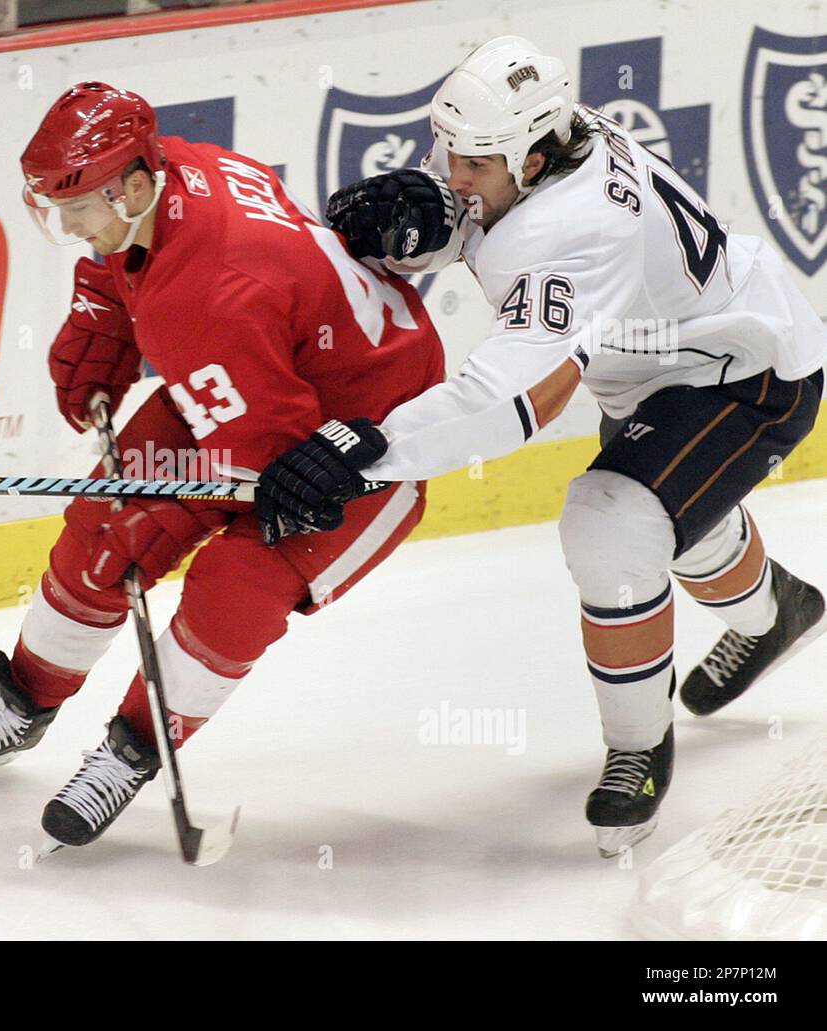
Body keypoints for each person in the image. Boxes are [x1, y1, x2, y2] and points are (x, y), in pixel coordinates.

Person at [256, 36, 827, 857]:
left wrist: (365, 450)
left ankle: (638, 746)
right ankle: (780, 611)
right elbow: (495, 219)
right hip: (667, 359)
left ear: (530, 154)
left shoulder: (581, 226)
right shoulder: (542, 139)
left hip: (745, 372)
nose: (454, 173)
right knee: (675, 523)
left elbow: (510, 400)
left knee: (611, 522)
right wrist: (437, 226)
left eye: (472, 166)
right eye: (451, 153)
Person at [0, 81, 445, 852]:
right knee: (106, 531)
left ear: (132, 185)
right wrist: (102, 324)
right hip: (263, 377)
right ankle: (24, 705)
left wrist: (179, 507)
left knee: (236, 588)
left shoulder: (209, 296)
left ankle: (132, 749)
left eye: (78, 206)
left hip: (373, 445)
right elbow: (129, 271)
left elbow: (268, 449)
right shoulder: (179, 170)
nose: (69, 224)